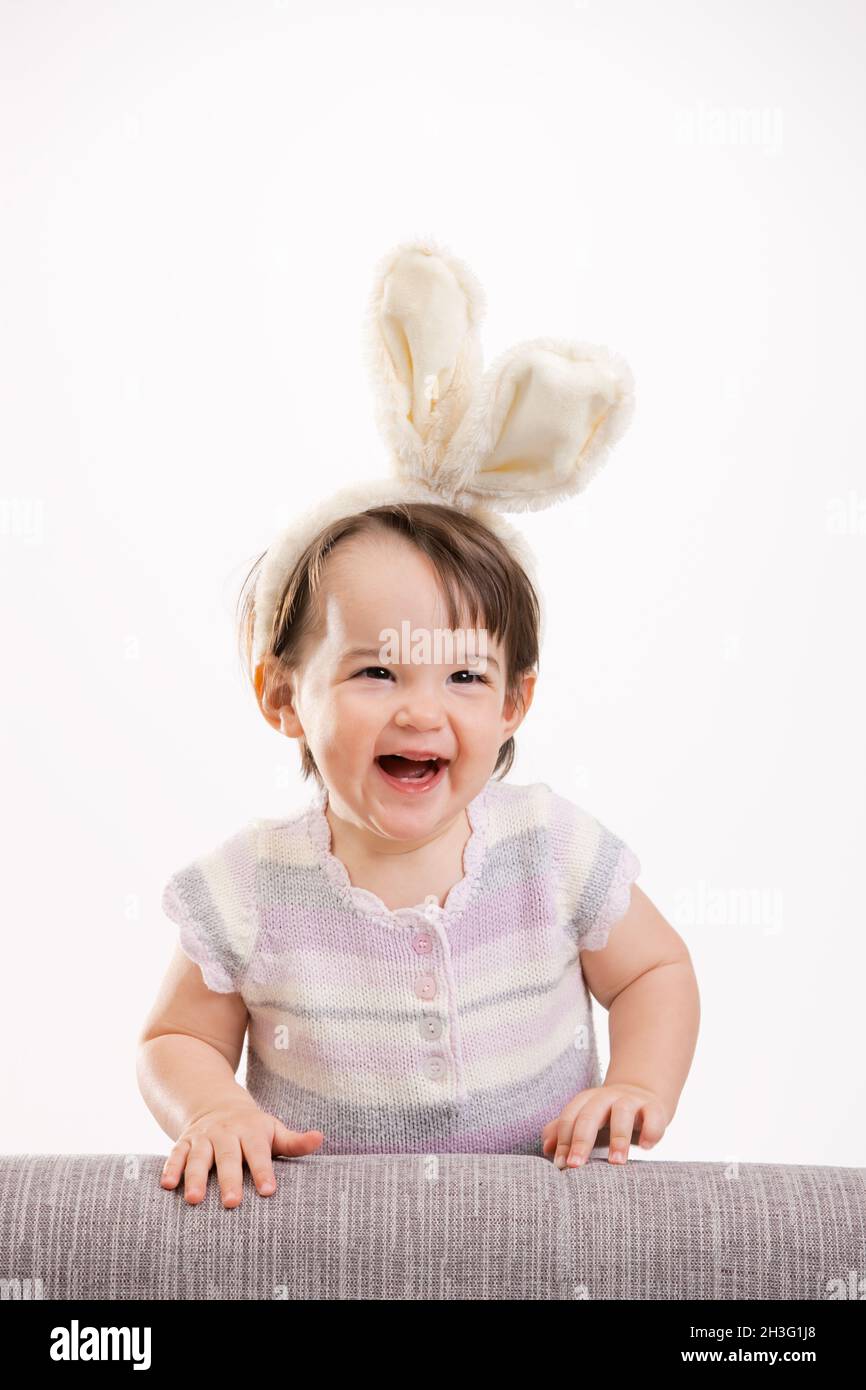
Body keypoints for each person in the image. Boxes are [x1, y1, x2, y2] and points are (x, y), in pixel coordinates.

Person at [137, 239, 699, 1209]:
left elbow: (655, 969)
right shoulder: (253, 885)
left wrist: (636, 1083)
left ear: (513, 702)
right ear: (283, 698)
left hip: (541, 1225)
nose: (420, 709)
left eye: (464, 675)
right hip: (327, 1244)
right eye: (376, 669)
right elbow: (174, 1036)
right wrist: (214, 1108)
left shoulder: (549, 848)